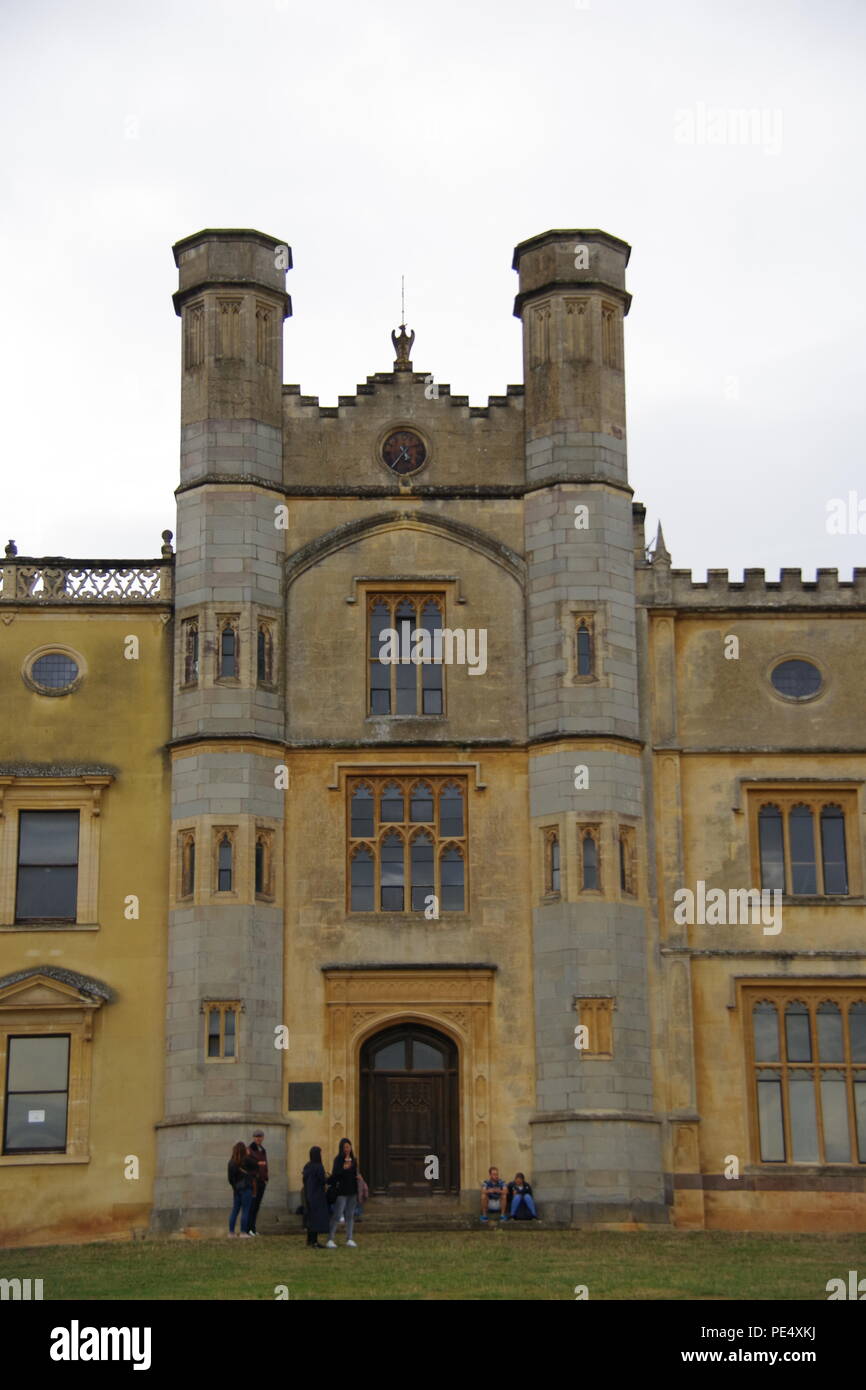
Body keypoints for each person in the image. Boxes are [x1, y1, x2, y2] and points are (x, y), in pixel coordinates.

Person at [327, 1137, 362, 1248]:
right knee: (337, 1215)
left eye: (349, 1147)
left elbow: (355, 1173)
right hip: (341, 1191)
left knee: (350, 1215)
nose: (347, 1149)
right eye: (345, 1147)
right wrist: (343, 1168)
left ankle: (349, 1238)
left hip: (352, 1191)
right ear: (341, 1148)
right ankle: (330, 1239)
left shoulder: (354, 1160)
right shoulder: (338, 1160)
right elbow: (335, 1174)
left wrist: (358, 1177)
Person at [301, 1145, 330, 1249]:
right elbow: (322, 1180)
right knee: (316, 1219)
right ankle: (314, 1241)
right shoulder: (318, 1166)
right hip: (317, 1195)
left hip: (308, 1194)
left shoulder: (307, 1166)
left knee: (310, 1218)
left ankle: (310, 1240)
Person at [227, 1141, 258, 1237]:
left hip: (237, 1189)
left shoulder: (231, 1162)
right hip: (246, 1188)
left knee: (235, 1210)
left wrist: (234, 1187)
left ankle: (231, 1232)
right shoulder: (247, 1160)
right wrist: (249, 1154)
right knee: (245, 1210)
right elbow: (256, 1165)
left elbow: (230, 1178)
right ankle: (243, 1232)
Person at [247, 1129, 269, 1235]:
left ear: (262, 1138)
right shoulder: (250, 1150)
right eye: (256, 1136)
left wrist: (266, 1178)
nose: (258, 1138)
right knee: (252, 1206)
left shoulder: (263, 1150)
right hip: (254, 1182)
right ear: (253, 1138)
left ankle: (253, 1228)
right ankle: (249, 1229)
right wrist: (257, 1165)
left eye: (260, 1136)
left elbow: (265, 1165)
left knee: (256, 1207)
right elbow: (247, 1165)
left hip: (262, 1181)